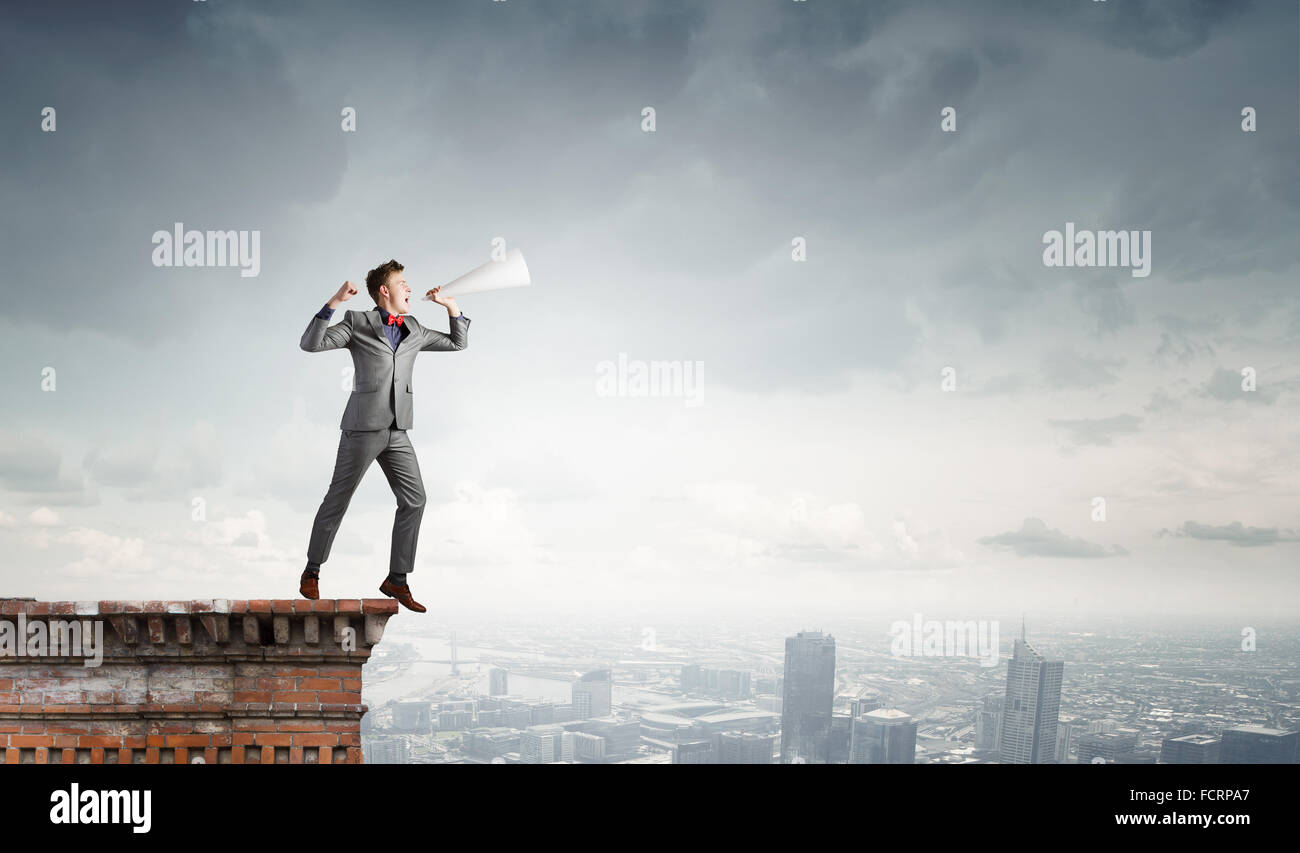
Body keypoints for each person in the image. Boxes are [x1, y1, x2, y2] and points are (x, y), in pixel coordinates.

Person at [297, 259, 469, 612]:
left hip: (398, 429)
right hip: (361, 428)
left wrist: (451, 306)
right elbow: (310, 345)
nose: (409, 288)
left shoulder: (414, 327)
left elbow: (457, 343)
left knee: (415, 499)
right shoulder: (357, 322)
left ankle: (398, 579)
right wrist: (334, 303)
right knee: (338, 498)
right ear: (384, 291)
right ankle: (312, 570)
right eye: (403, 283)